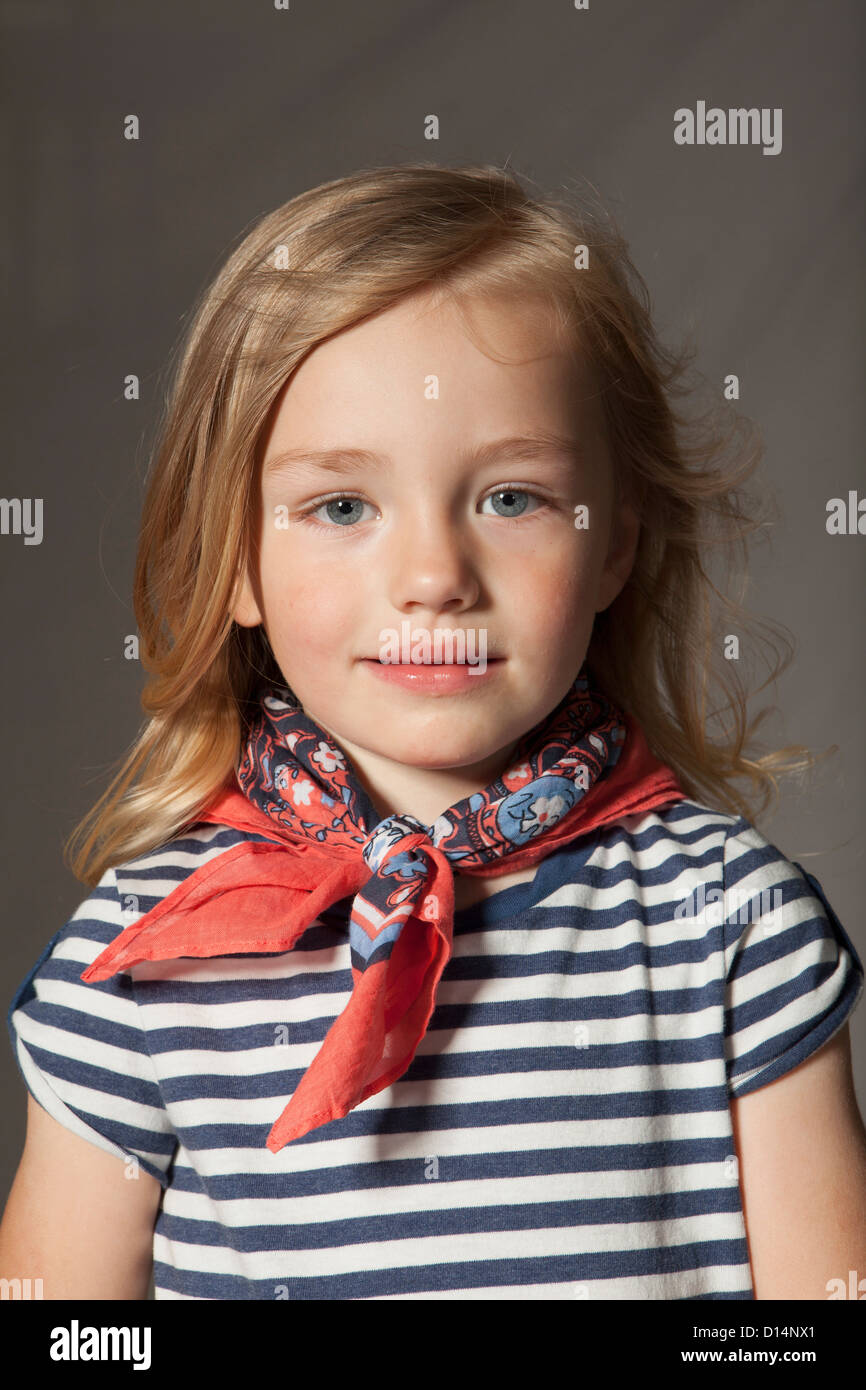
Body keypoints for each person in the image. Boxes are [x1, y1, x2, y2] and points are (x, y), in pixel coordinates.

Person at [2, 163, 864, 1301]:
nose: (431, 577)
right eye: (342, 506)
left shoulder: (731, 922)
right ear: (235, 557)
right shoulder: (139, 963)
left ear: (613, 544)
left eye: (511, 497)